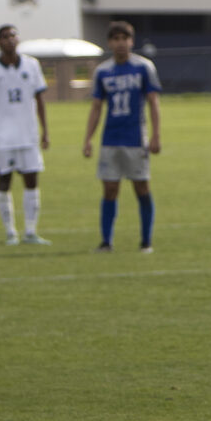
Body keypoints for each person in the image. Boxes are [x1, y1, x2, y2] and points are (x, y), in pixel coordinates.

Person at [82, 21, 162, 253]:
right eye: (115, 39)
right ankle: (106, 241)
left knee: (141, 188)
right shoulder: (103, 71)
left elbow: (153, 102)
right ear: (109, 43)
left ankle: (146, 241)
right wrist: (88, 139)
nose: (120, 43)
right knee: (109, 189)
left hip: (136, 139)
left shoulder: (143, 67)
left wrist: (156, 136)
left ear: (131, 41)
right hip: (110, 139)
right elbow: (96, 107)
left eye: (124, 39)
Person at [0, 24, 51, 245]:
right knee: (4, 179)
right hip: (2, 134)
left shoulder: (31, 65)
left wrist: (45, 130)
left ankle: (31, 231)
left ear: (18, 39)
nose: (10, 39)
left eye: (13, 35)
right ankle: (10, 232)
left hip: (28, 132)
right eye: (5, 36)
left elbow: (40, 99)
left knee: (31, 179)